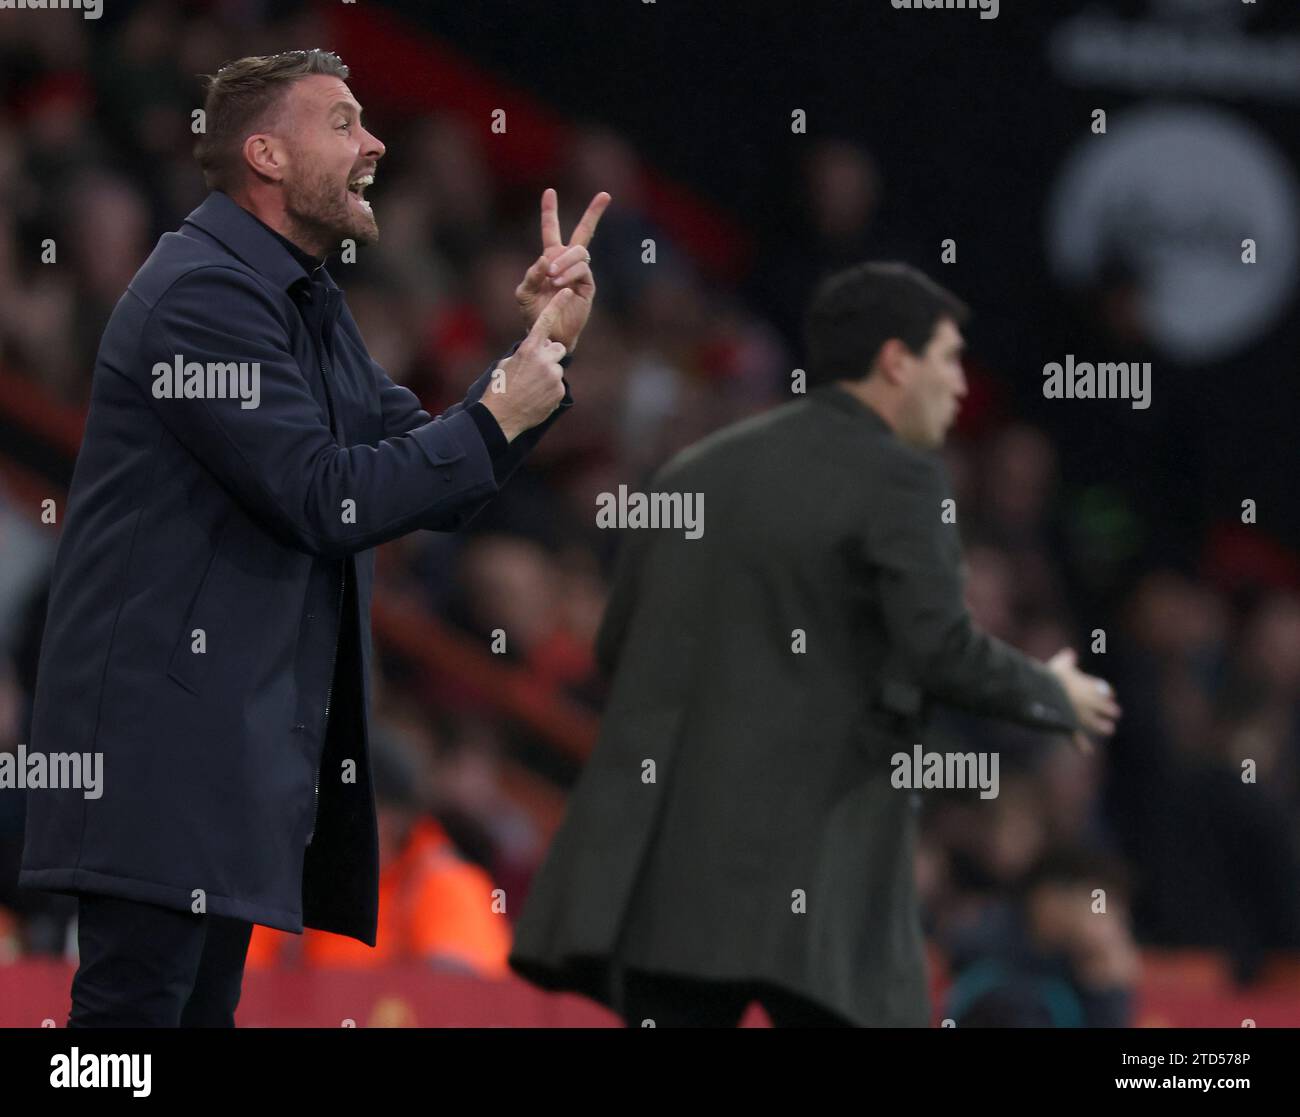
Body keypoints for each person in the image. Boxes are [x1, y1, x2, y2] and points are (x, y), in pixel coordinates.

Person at [19, 48, 609, 1027]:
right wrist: (499, 410)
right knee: (124, 1034)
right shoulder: (203, 296)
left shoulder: (301, 300)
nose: (375, 143)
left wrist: (536, 350)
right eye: (342, 123)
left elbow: (424, 469)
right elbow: (325, 495)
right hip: (161, 760)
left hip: (219, 770)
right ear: (266, 155)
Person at [509, 262, 1120, 1027]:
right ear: (897, 362)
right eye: (948, 359)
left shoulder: (693, 470)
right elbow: (940, 646)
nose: (961, 387)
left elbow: (615, 648)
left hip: (675, 865)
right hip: (824, 874)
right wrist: (1052, 691)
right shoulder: (901, 477)